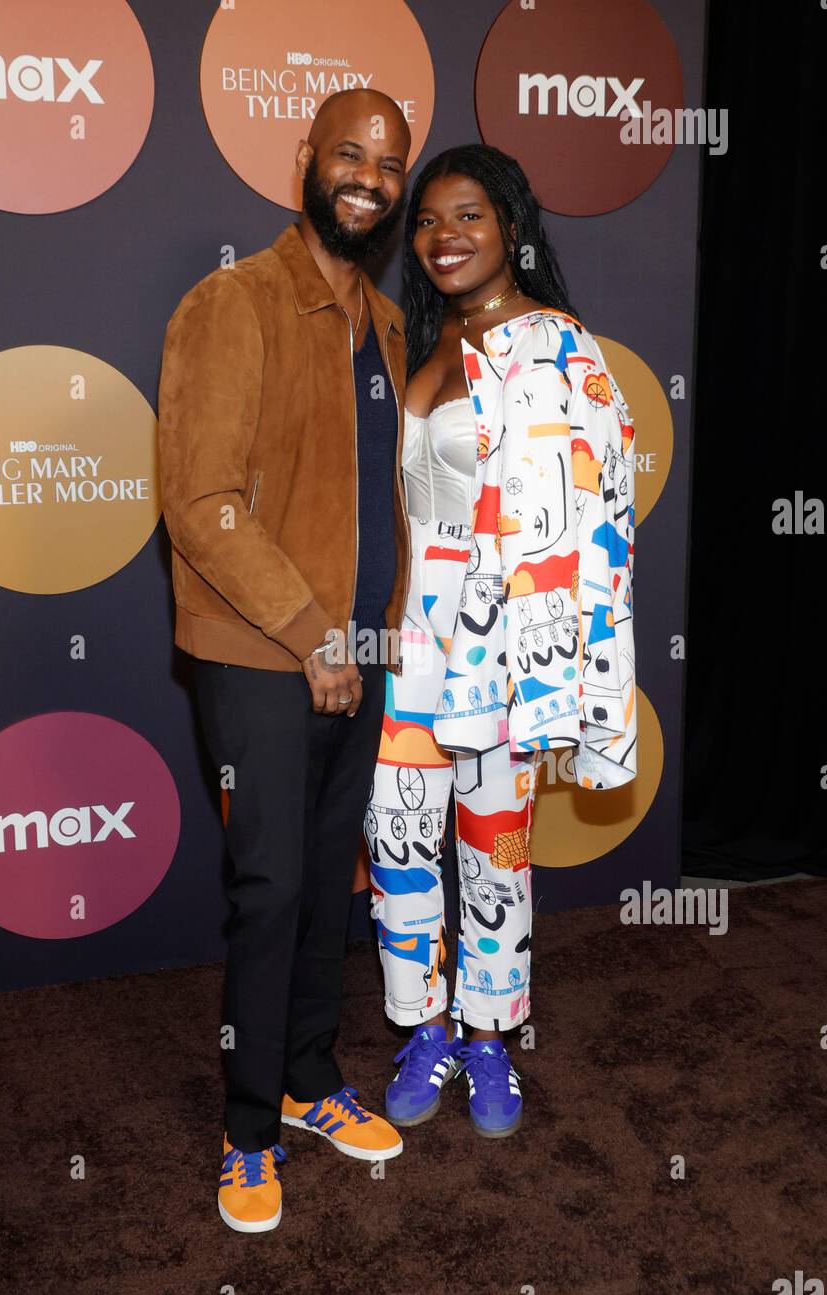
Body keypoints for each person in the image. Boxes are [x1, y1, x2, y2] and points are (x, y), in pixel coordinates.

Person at [158, 89, 413, 1232]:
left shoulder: (391, 322)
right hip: (264, 649)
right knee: (267, 890)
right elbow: (200, 501)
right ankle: (246, 1126)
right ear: (303, 160)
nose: (367, 176)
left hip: (360, 657)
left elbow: (386, 502)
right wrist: (311, 632)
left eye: (388, 164)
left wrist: (377, 634)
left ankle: (311, 1080)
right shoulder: (234, 301)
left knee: (323, 880)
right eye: (347, 154)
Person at [365, 144, 637, 1139]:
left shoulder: (560, 346)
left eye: (467, 216)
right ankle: (421, 1024)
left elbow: (601, 520)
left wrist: (564, 675)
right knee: (398, 840)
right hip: (408, 638)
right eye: (427, 221)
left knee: (492, 850)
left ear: (510, 227)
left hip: (502, 652)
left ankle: (487, 1036)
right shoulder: (412, 346)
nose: (443, 237)